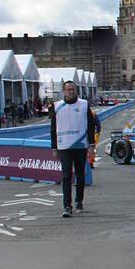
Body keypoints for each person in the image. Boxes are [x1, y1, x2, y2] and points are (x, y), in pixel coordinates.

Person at [50, 80, 97, 217]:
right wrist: (54, 147)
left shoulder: (84, 104)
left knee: (80, 175)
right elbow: (53, 128)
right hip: (64, 146)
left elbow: (91, 125)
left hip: (80, 145)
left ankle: (79, 201)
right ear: (64, 91)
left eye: (72, 89)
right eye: (68, 89)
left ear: (75, 91)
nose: (70, 92)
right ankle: (66, 206)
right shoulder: (57, 106)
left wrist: (91, 145)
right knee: (66, 176)